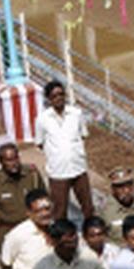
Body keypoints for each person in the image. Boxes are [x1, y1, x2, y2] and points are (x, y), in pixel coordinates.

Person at [35, 79, 92, 222]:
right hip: (58, 171)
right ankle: (62, 238)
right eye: (54, 96)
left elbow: (83, 135)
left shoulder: (76, 114)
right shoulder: (42, 119)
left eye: (61, 94)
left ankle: (91, 233)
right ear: (48, 99)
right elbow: (40, 143)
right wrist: (57, 153)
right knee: (59, 209)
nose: (58, 98)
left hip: (78, 168)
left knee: (87, 206)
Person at [0, 141, 46, 257]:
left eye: (16, 158)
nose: (14, 163)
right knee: (9, 267)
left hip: (32, 229)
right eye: (9, 160)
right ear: (1, 162)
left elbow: (43, 197)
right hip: (8, 231)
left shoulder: (32, 174)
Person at [1, 187, 54, 269]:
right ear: (28, 213)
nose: (44, 214)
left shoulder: (57, 231)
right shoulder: (17, 236)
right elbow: (6, 263)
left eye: (47, 209)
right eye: (38, 211)